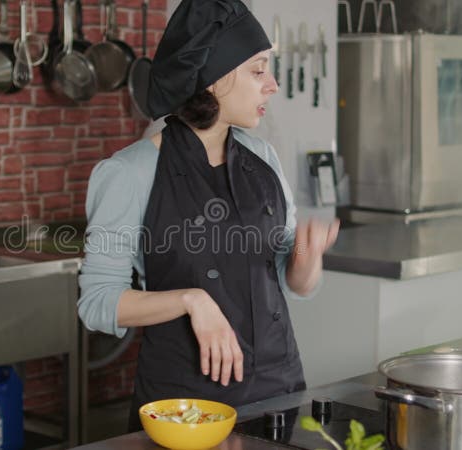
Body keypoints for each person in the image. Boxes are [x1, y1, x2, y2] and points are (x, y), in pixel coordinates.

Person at [77, 0, 340, 431]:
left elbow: (295, 285)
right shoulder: (129, 173)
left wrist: (305, 260)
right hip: (185, 408)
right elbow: (97, 302)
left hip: (279, 390)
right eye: (258, 70)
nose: (272, 85)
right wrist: (191, 300)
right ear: (215, 80)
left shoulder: (264, 158)